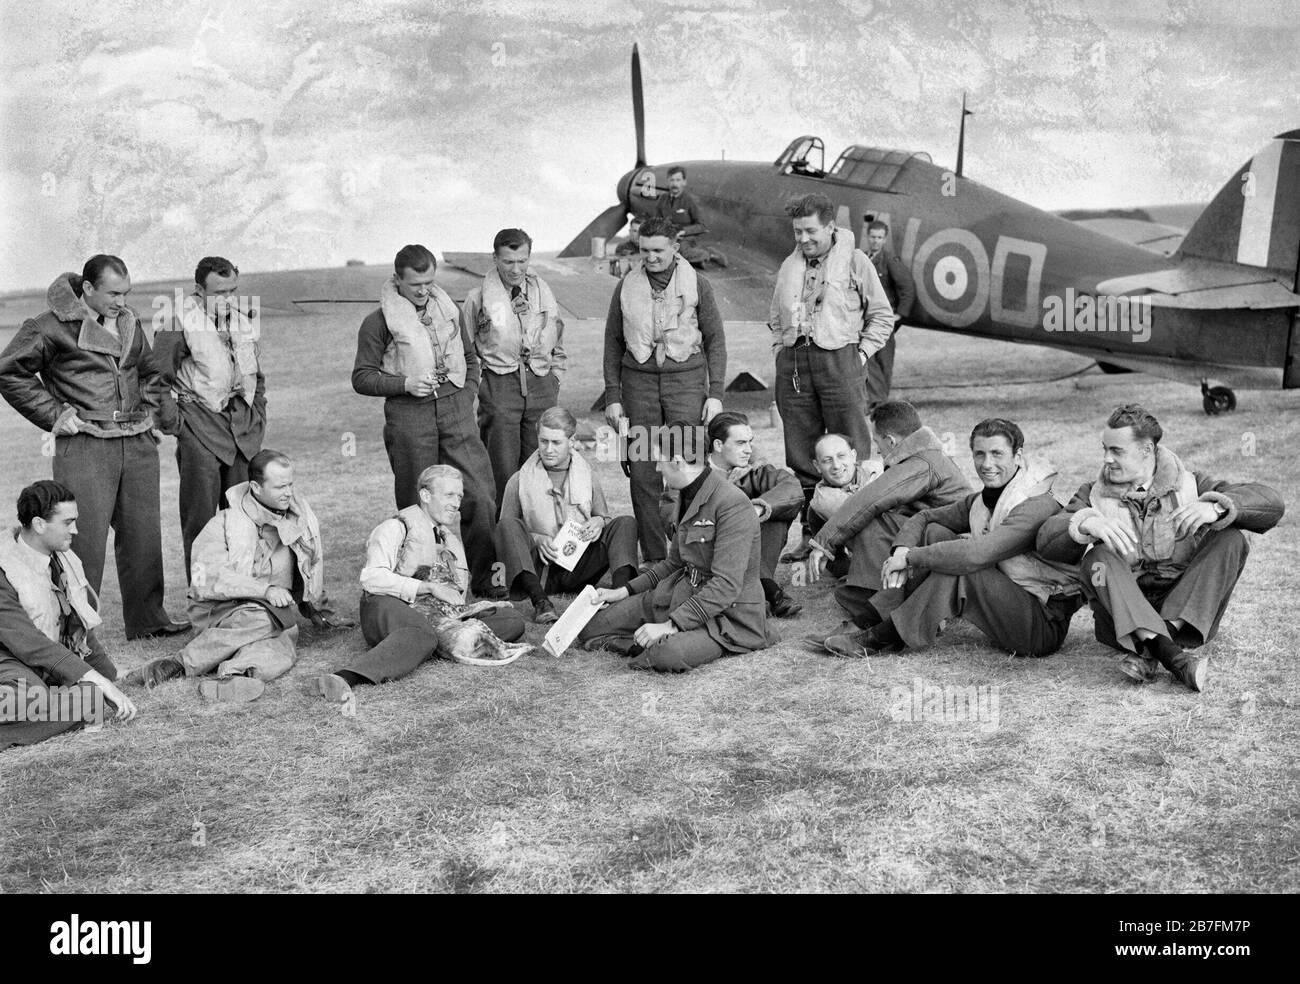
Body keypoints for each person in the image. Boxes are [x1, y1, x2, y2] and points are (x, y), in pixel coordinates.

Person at [0, 255, 188, 639]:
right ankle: (76, 627)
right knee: (80, 537)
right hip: (85, 444)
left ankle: (149, 620)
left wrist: (149, 415)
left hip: (136, 443)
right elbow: (9, 371)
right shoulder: (48, 326)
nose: (122, 301)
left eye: (126, 293)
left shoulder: (129, 321)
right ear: (87, 288)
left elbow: (151, 372)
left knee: (143, 533)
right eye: (113, 293)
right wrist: (55, 414)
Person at [1036, 404, 1284, 692]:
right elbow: (1046, 541)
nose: (1106, 459)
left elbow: (1272, 502)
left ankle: (1156, 645)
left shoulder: (1192, 483)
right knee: (1098, 559)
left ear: (1147, 450)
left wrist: (1216, 507)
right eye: (1104, 449)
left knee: (1231, 538)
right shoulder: (1092, 493)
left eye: (1117, 450)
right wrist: (1085, 523)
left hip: (1184, 611)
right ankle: (1174, 657)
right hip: (1122, 616)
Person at [821, 419, 1083, 658]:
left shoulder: (1034, 503)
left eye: (997, 454)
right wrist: (901, 550)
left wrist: (911, 558)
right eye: (979, 454)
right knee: (935, 533)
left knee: (962, 569)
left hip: (1042, 624)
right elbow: (924, 519)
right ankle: (874, 618)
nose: (987, 464)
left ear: (1018, 456)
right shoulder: (984, 498)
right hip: (1013, 598)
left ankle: (882, 637)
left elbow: (975, 555)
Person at [123, 450, 344, 702]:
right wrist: (265, 591)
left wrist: (321, 612)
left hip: (273, 611)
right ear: (255, 488)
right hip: (220, 611)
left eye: (291, 484)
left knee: (283, 640)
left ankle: (237, 675)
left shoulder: (296, 522)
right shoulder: (223, 523)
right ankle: (179, 663)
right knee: (270, 622)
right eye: (280, 486)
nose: (289, 493)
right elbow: (207, 578)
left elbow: (309, 567)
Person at [352, 244, 502, 596]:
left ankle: (486, 581)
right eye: (415, 284)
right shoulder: (377, 323)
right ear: (397, 280)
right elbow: (361, 377)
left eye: (429, 282)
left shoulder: (448, 310)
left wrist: (465, 398)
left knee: (480, 496)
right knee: (417, 504)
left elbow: (470, 357)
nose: (423, 291)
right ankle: (423, 584)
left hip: (456, 411)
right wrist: (404, 384)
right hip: (409, 416)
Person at [308, 465, 526, 702]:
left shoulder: (449, 540)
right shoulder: (395, 527)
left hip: (435, 616)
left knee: (512, 621)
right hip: (389, 606)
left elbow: (454, 597)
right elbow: (372, 578)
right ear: (425, 495)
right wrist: (428, 587)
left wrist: (470, 609)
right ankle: (344, 677)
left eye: (460, 496)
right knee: (421, 634)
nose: (456, 503)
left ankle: (423, 647)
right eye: (449, 495)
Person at [579, 422, 773, 672]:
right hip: (682, 594)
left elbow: (726, 586)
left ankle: (666, 642)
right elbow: (674, 563)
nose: (658, 467)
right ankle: (644, 642)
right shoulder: (686, 493)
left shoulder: (732, 505)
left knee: (665, 654)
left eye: (660, 460)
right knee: (588, 629)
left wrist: (669, 626)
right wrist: (624, 591)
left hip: (725, 616)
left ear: (678, 461)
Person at [768, 194, 895, 557]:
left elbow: (882, 316)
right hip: (794, 366)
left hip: (841, 361)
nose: (804, 239)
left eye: (811, 231)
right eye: (797, 232)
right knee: (802, 454)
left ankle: (860, 539)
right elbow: (776, 318)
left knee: (851, 449)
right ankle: (811, 538)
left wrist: (859, 355)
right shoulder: (787, 266)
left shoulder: (856, 261)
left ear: (830, 227)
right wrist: (781, 353)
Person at [602, 217, 727, 562]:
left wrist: (714, 392)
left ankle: (693, 556)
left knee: (688, 469)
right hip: (639, 388)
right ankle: (656, 560)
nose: (651, 257)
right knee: (643, 473)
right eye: (644, 250)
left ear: (675, 247)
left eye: (658, 250)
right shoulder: (626, 286)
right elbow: (613, 343)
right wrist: (613, 396)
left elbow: (715, 339)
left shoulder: (699, 283)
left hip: (685, 386)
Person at [805, 401, 969, 630]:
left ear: (891, 441)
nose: (878, 450)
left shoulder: (920, 462)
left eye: (877, 442)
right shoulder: (926, 455)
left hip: (949, 544)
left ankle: (881, 603)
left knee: (872, 518)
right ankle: (876, 595)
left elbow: (870, 500)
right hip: (944, 537)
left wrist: (824, 543)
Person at [1, 481, 137, 751]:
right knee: (34, 695)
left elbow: (79, 627)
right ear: (39, 524)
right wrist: (94, 678)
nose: (75, 529)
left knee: (90, 699)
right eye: (67, 522)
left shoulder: (63, 558)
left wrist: (107, 675)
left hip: (35, 668)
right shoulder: (4, 566)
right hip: (9, 660)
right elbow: (29, 643)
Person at [153, 256, 267, 578]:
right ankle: (203, 601)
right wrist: (178, 426)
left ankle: (245, 596)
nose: (228, 299)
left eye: (233, 291)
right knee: (201, 523)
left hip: (242, 431)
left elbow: (257, 374)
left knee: (244, 518)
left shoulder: (242, 320)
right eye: (219, 293)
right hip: (200, 429)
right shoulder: (176, 321)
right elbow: (155, 378)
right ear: (198, 290)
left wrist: (258, 414)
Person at [495, 407, 638, 623]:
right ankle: (541, 603)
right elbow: (505, 533)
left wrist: (598, 522)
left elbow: (604, 518)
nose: (548, 449)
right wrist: (536, 538)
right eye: (543, 441)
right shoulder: (518, 479)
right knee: (507, 525)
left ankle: (619, 596)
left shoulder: (587, 474)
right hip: (540, 568)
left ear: (571, 442)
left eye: (556, 443)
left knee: (626, 523)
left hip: (579, 564)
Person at [460, 229, 567, 507]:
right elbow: (465, 351)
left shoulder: (544, 292)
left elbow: (557, 334)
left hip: (541, 385)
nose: (516, 269)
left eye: (522, 261)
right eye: (508, 262)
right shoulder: (477, 299)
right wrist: (483, 387)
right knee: (502, 470)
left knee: (543, 465)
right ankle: (503, 539)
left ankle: (539, 537)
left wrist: (555, 378)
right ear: (495, 258)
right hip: (500, 387)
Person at [664, 411, 804, 618]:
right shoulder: (690, 470)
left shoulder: (753, 469)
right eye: (740, 443)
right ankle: (767, 589)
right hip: (705, 553)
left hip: (743, 553)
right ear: (719, 445)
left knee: (774, 511)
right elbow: (670, 520)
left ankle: (759, 586)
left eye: (750, 442)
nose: (749, 450)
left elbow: (793, 489)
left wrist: (755, 509)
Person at [786, 432, 884, 574]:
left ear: (854, 455)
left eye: (841, 456)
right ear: (817, 466)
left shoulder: (878, 470)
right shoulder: (819, 506)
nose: (836, 465)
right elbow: (835, 560)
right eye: (827, 460)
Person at [862, 220, 915, 410]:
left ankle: (879, 401)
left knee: (884, 361)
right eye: (872, 237)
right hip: (867, 317)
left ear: (884, 240)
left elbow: (907, 287)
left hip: (884, 318)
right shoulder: (864, 258)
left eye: (879, 238)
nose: (875, 241)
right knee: (869, 357)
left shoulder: (890, 260)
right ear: (867, 237)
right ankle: (878, 400)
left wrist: (899, 315)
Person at [657, 166, 710, 265]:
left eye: (678, 180)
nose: (674, 184)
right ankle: (696, 261)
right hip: (668, 236)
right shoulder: (662, 199)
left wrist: (684, 231)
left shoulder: (690, 200)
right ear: (668, 182)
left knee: (681, 251)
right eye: (671, 180)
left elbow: (702, 226)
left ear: (684, 182)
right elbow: (656, 220)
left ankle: (708, 254)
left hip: (685, 238)